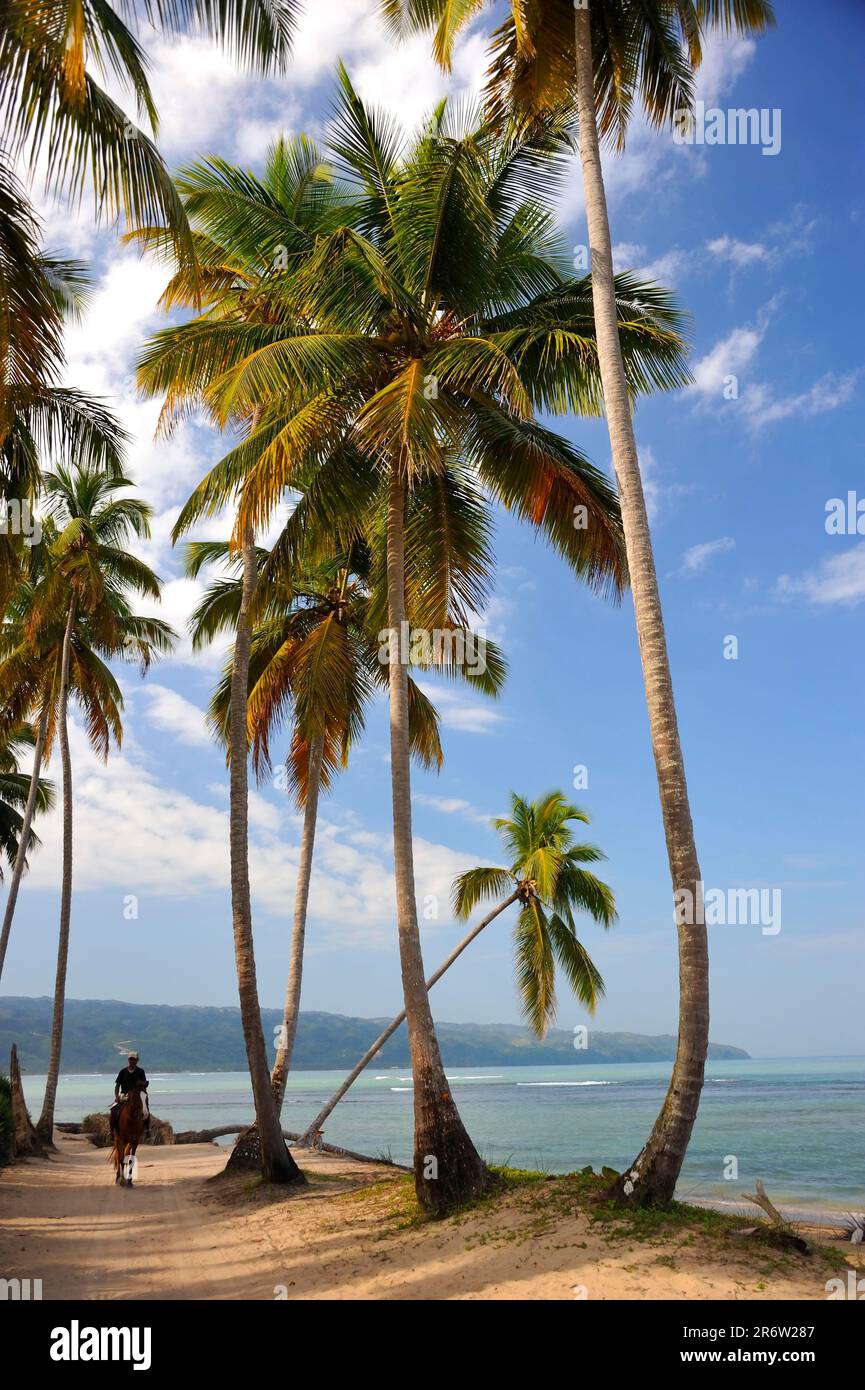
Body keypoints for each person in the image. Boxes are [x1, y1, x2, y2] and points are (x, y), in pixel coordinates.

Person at [110, 1051, 150, 1138]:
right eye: (130, 1059)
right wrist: (117, 1096)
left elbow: (144, 1083)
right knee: (113, 1109)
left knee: (146, 1109)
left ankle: (147, 1129)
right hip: (124, 1095)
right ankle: (112, 1131)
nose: (132, 1061)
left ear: (137, 1060)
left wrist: (141, 1083)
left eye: (134, 1059)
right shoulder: (123, 1071)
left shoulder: (140, 1071)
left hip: (136, 1095)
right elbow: (117, 1085)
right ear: (128, 1060)